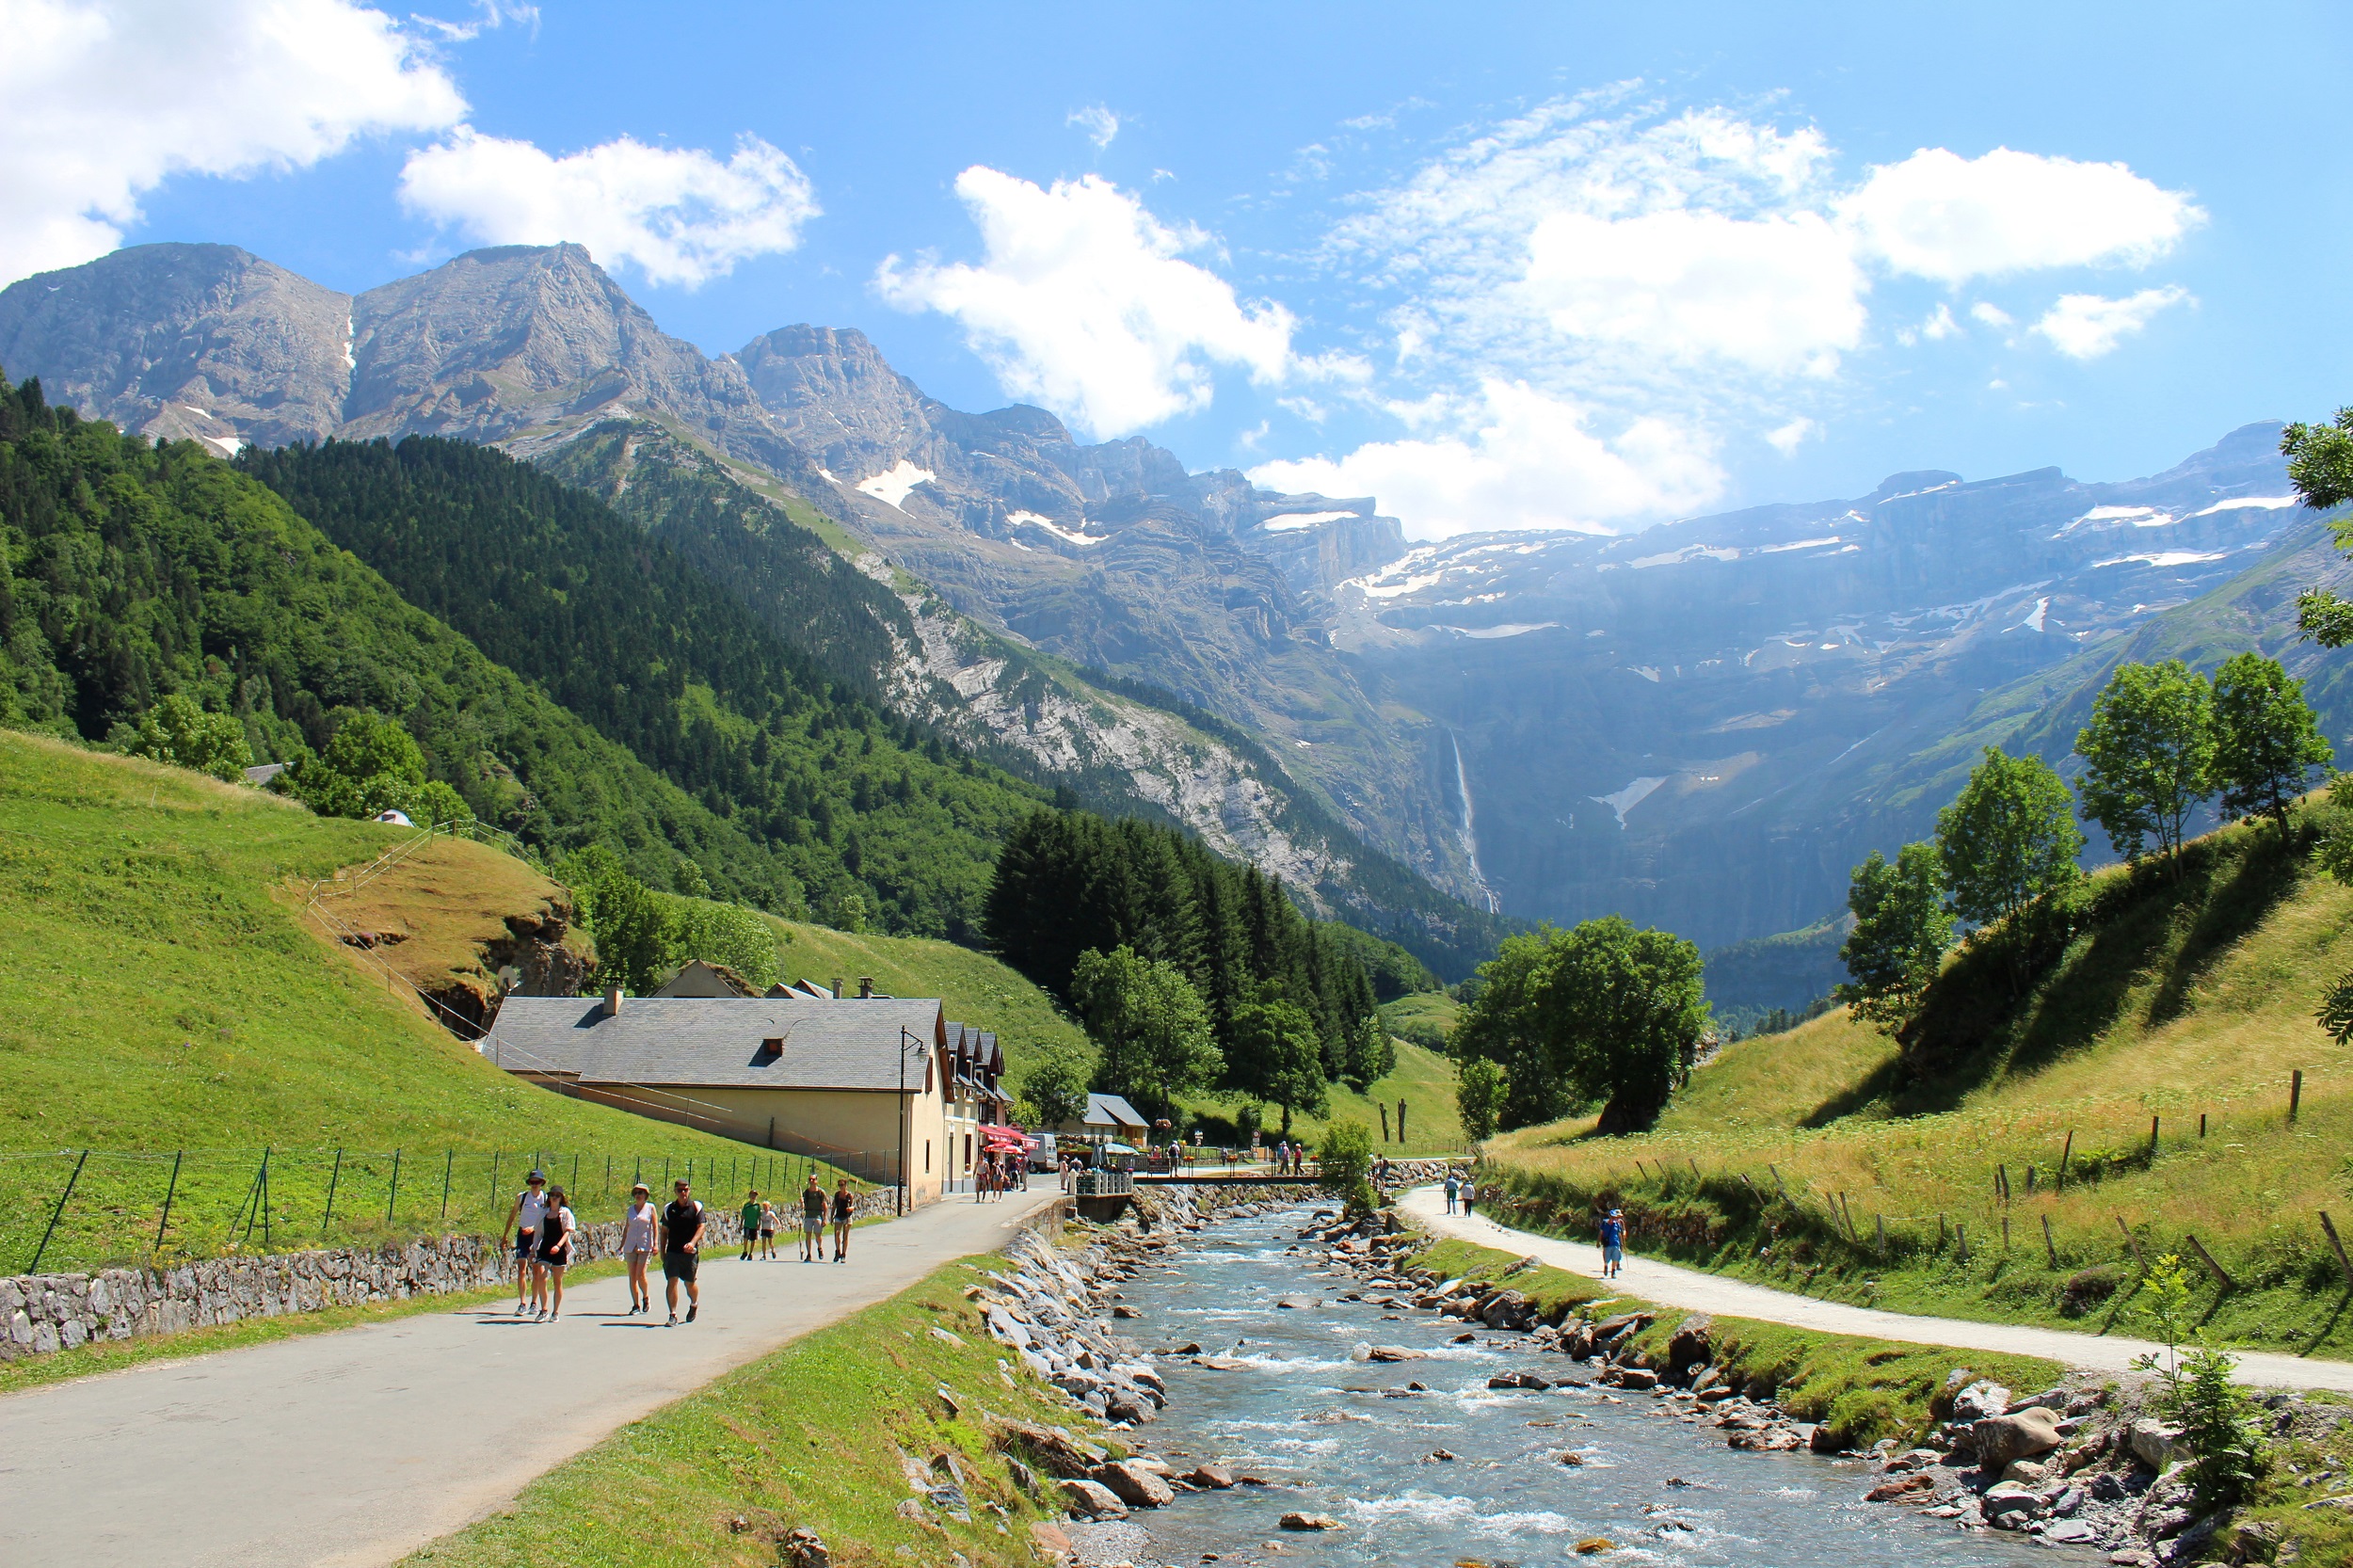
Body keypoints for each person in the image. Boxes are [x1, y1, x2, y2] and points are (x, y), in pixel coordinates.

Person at [498, 1170, 549, 1316]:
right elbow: (512, 1216)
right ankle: (522, 1303)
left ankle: (534, 1303)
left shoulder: (545, 1198)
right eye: (532, 1182)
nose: (534, 1185)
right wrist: (505, 1236)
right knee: (521, 1269)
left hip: (537, 1236)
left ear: (541, 1183)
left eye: (537, 1182)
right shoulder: (522, 1197)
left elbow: (546, 1219)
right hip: (522, 1235)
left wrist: (534, 1229)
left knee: (536, 1270)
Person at [659, 1177, 705, 1326]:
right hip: (673, 1251)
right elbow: (664, 1231)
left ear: (689, 1190)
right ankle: (673, 1314)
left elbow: (701, 1227)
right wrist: (662, 1251)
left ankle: (694, 1303)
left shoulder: (696, 1207)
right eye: (680, 1190)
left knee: (689, 1283)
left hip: (690, 1253)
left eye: (686, 1189)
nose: (683, 1192)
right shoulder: (669, 1209)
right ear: (675, 1191)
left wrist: (692, 1243)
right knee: (672, 1280)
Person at [536, 1184, 576, 1320]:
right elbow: (538, 1232)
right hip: (545, 1248)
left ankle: (556, 1312)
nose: (554, 1198)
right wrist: (533, 1248)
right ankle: (544, 1309)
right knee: (541, 1277)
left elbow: (568, 1231)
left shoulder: (565, 1213)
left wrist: (559, 1246)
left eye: (557, 1196)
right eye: (552, 1195)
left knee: (557, 1281)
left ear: (561, 1198)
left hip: (559, 1249)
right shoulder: (544, 1213)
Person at [621, 1182, 657, 1315]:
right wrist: (622, 1244)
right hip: (630, 1245)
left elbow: (654, 1226)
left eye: (640, 1193)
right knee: (632, 1276)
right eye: (636, 1193)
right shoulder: (631, 1209)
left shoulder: (650, 1208)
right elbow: (627, 1227)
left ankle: (645, 1297)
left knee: (640, 1274)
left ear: (645, 1195)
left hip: (645, 1245)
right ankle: (635, 1305)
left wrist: (656, 1244)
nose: (638, 1195)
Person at [799, 1173, 826, 1261]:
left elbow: (825, 1206)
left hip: (818, 1215)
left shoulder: (820, 1193)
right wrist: (801, 1203)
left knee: (818, 1235)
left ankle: (819, 1247)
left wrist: (824, 1218)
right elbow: (803, 1206)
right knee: (808, 1235)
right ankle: (809, 1254)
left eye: (813, 1179)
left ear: (816, 1181)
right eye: (810, 1179)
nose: (811, 1181)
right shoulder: (806, 1193)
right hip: (808, 1215)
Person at [831, 1176, 855, 1261]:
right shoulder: (837, 1195)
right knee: (837, 1233)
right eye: (839, 1185)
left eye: (842, 1185)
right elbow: (834, 1206)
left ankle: (844, 1254)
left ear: (845, 1185)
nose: (841, 1187)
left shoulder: (849, 1196)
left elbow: (853, 1207)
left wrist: (850, 1209)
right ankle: (838, 1251)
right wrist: (831, 1217)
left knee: (845, 1235)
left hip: (847, 1217)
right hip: (839, 1216)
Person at [1600, 1208, 1625, 1279]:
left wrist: (1621, 1244)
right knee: (1606, 1258)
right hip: (1607, 1244)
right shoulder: (1604, 1223)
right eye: (1613, 1217)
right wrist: (1598, 1242)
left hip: (1615, 1243)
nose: (1614, 1219)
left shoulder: (1617, 1224)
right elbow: (1601, 1233)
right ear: (1610, 1216)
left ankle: (1613, 1272)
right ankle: (1606, 1266)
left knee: (1615, 1258)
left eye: (1615, 1217)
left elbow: (1619, 1234)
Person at [739, 1190, 762, 1261]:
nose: (753, 1197)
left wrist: (759, 1224)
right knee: (745, 1238)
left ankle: (750, 1253)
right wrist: (741, 1224)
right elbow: (743, 1215)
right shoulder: (746, 1205)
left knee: (753, 1240)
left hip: (754, 1225)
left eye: (755, 1195)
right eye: (752, 1195)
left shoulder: (757, 1206)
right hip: (747, 1224)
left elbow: (759, 1216)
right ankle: (745, 1251)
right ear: (749, 1196)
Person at [759, 1196, 779, 1260]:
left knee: (770, 1243)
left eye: (766, 1207)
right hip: (764, 1229)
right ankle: (764, 1255)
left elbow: (775, 1219)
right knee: (763, 1242)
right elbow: (759, 1218)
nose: (765, 1208)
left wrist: (778, 1224)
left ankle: (773, 1250)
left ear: (769, 1207)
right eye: (764, 1207)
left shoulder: (771, 1213)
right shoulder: (762, 1213)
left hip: (770, 1229)